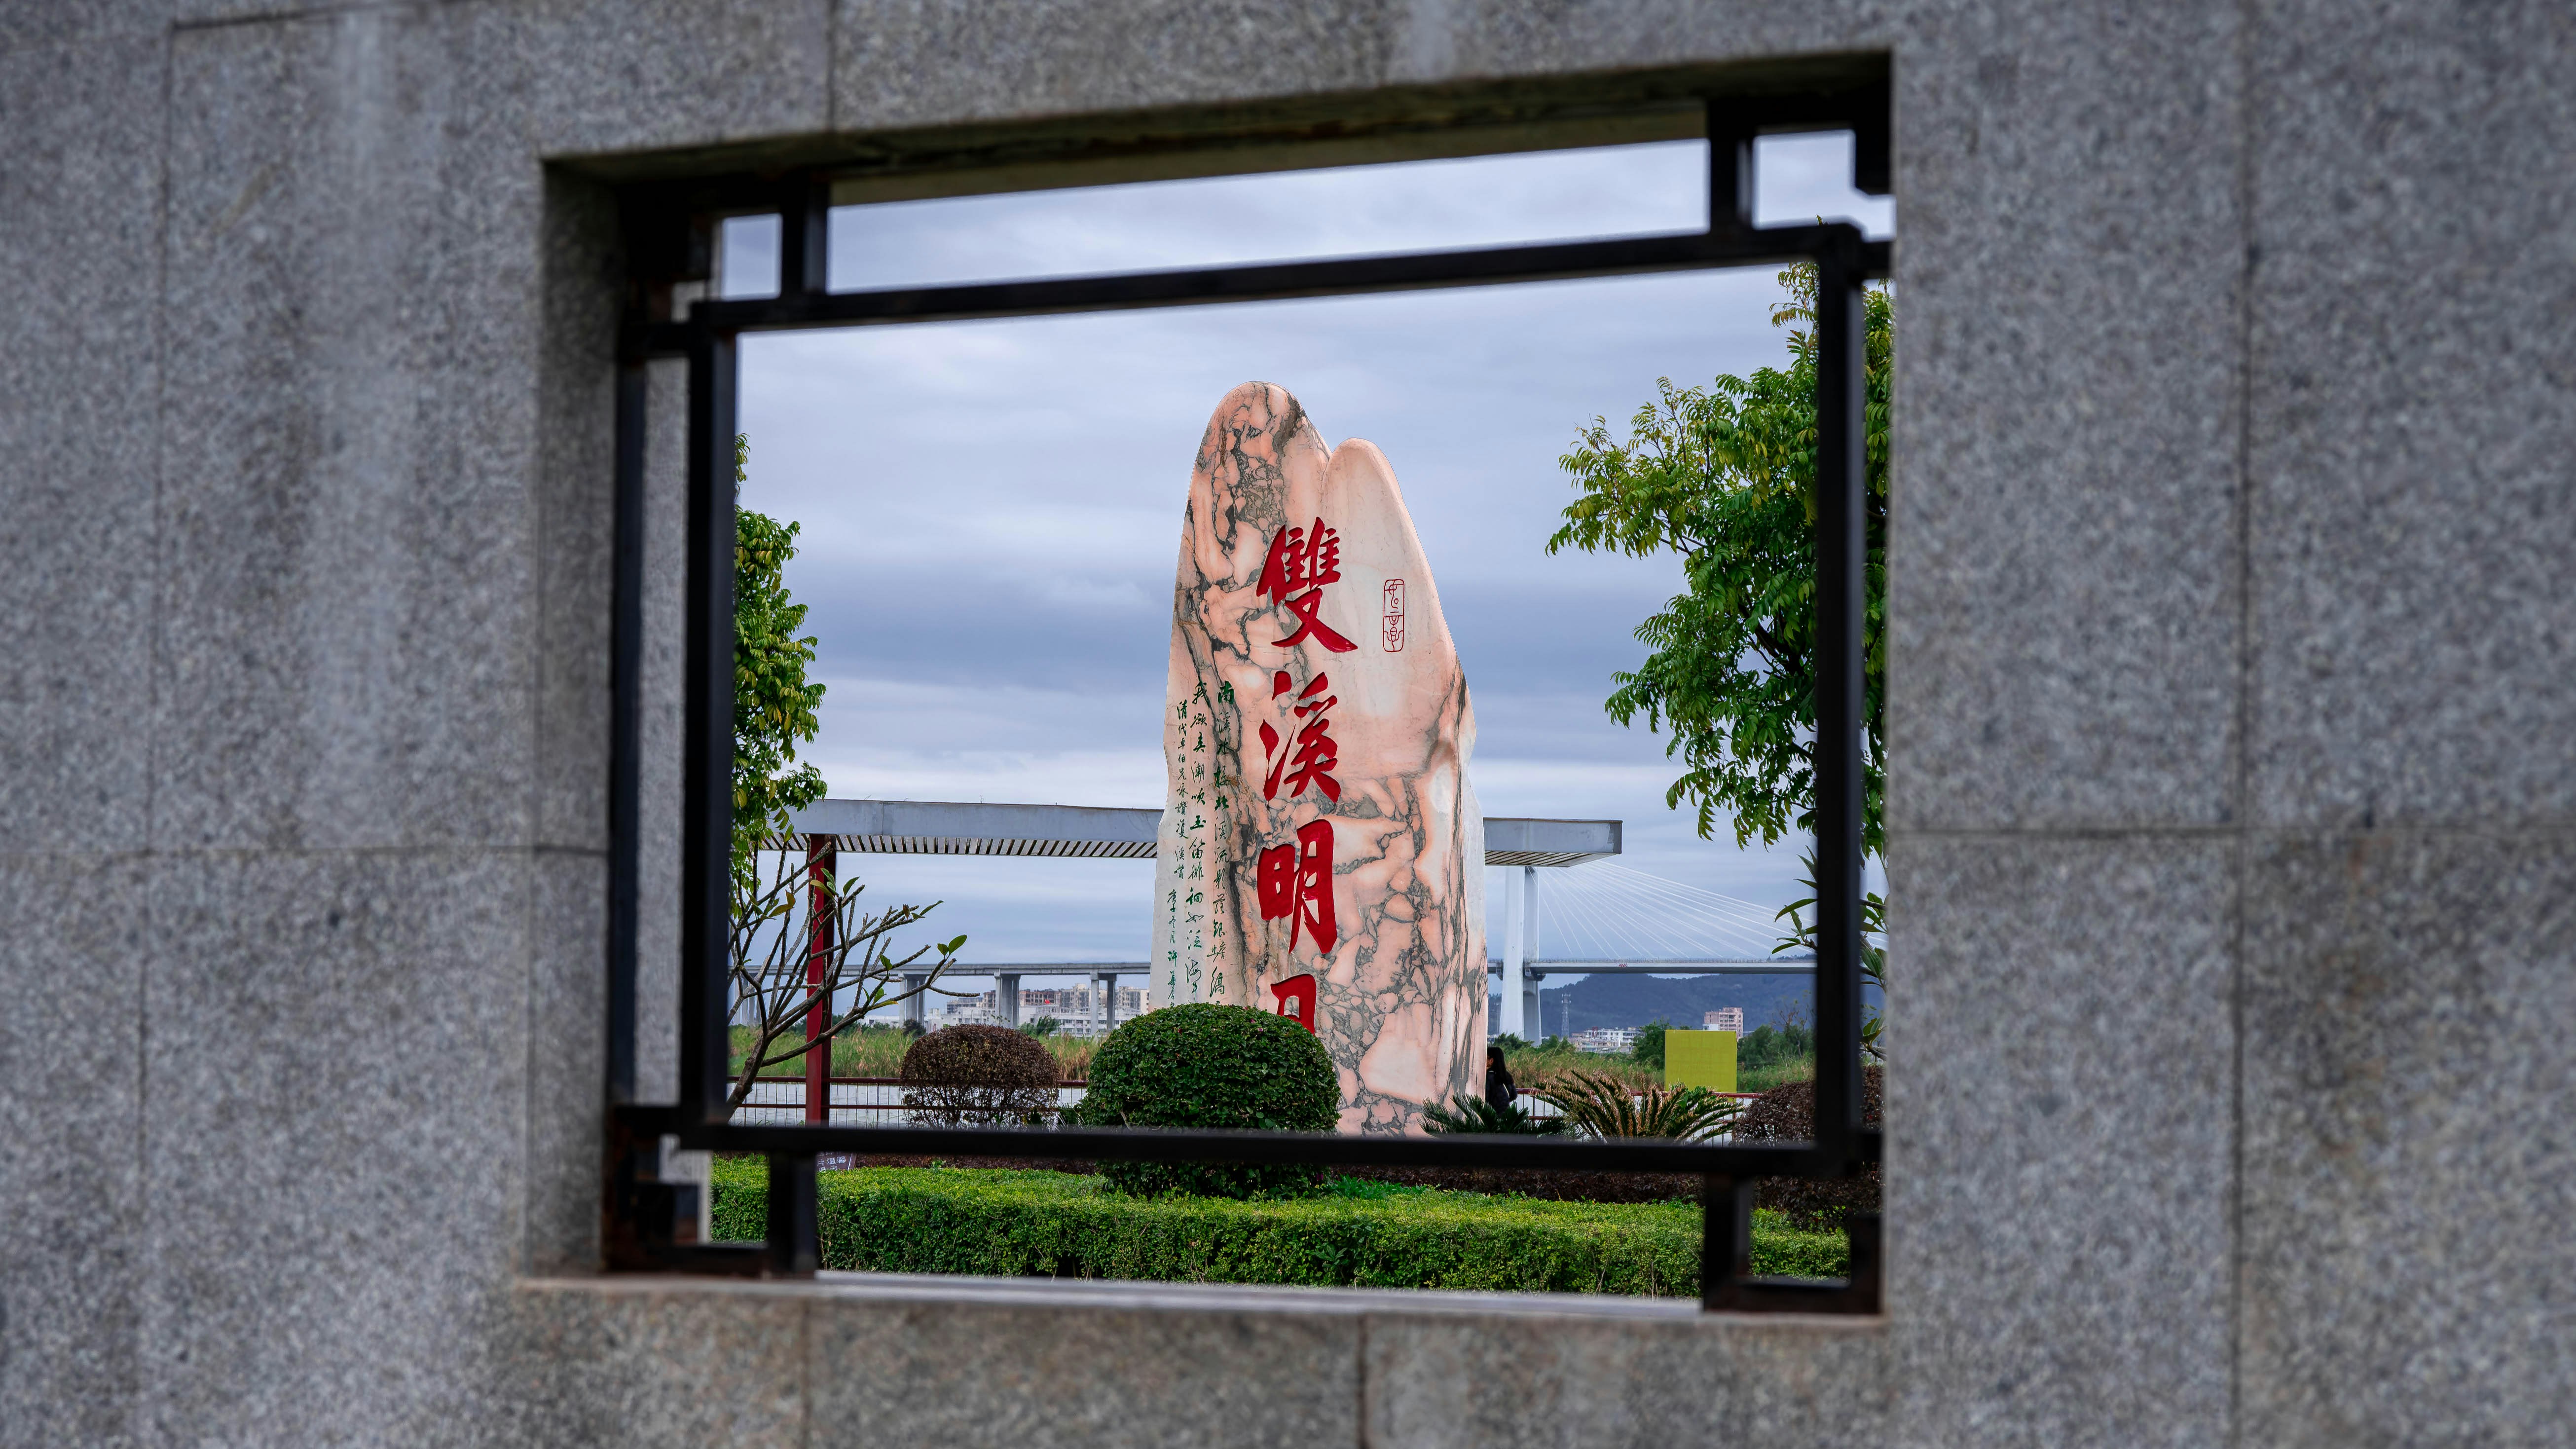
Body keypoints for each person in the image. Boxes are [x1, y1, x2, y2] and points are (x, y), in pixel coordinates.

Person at [1483, 1044, 1516, 1111]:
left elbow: (1485, 1097)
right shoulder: (1507, 1075)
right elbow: (1514, 1095)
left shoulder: (1489, 1077)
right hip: (1507, 1114)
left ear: (1491, 1060)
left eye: (1486, 1058)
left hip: (1493, 1115)